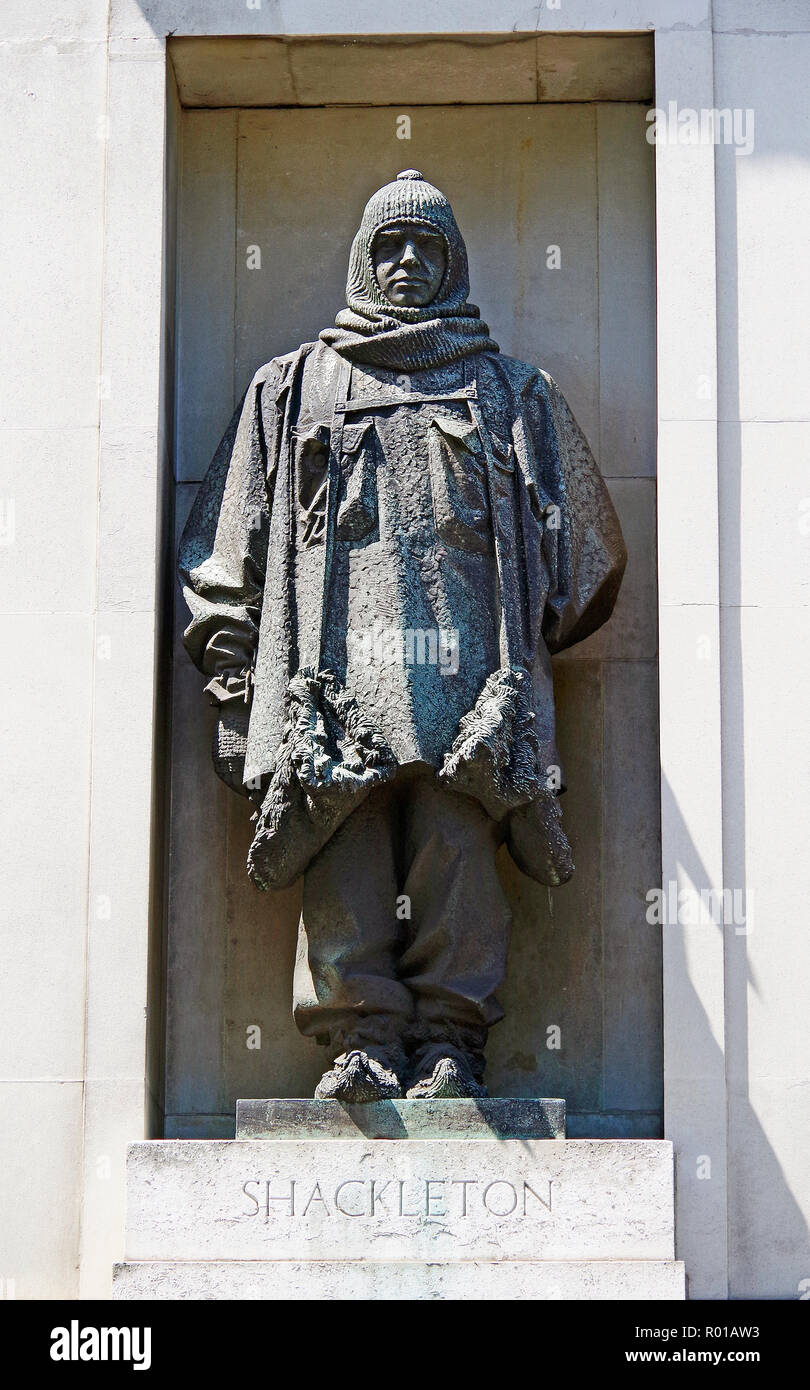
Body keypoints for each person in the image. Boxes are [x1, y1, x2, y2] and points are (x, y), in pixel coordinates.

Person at [178, 170, 626, 1103]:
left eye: (429, 246)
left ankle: (452, 1045)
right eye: (389, 245)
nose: (409, 262)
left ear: (455, 263)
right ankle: (362, 1040)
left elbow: (588, 547)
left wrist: (523, 653)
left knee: (457, 855)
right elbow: (224, 551)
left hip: (468, 691)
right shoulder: (293, 387)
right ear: (361, 261)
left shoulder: (509, 392)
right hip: (330, 692)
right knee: (344, 854)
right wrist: (233, 681)